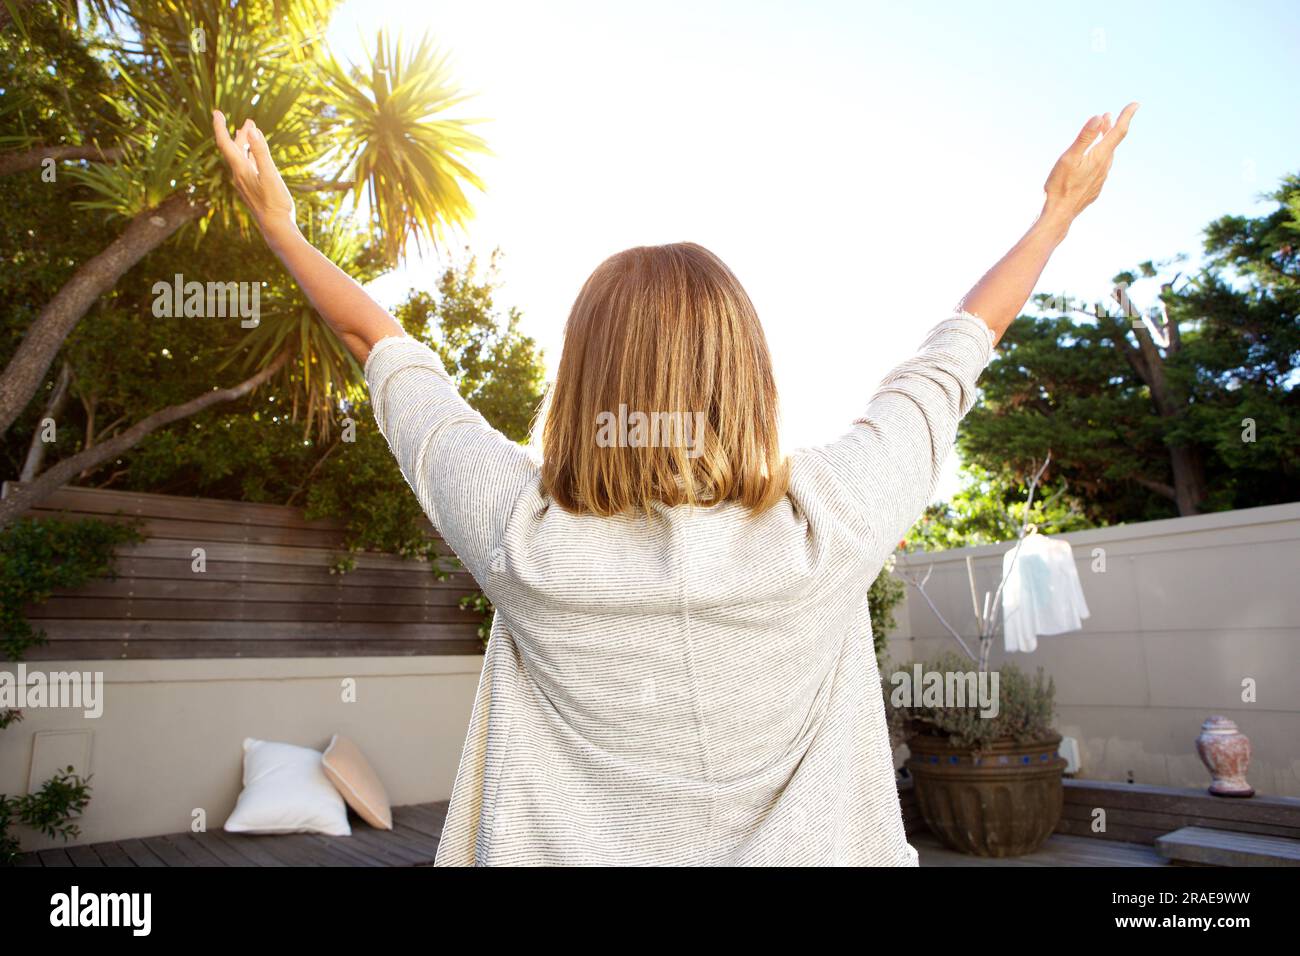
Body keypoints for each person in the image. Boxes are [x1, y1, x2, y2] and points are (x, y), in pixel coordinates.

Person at [213, 101, 1138, 865]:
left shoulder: (521, 534)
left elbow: (385, 350)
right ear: (748, 373)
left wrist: (281, 230)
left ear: (582, 378)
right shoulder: (834, 517)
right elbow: (950, 360)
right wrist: (1055, 216)